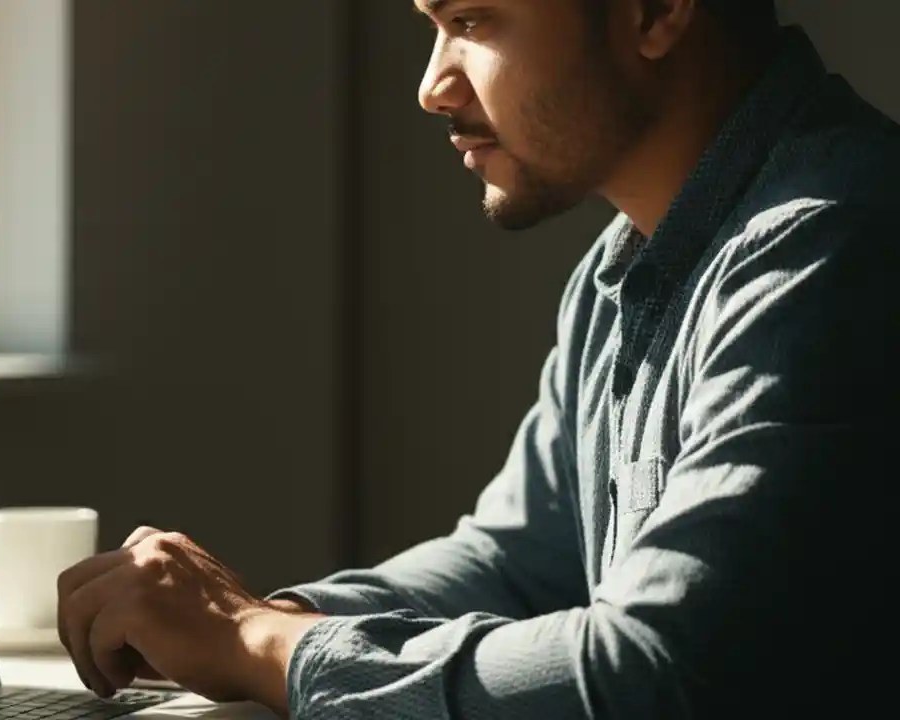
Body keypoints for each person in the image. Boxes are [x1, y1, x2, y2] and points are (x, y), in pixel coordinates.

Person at [57, 0, 900, 717]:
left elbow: (655, 669)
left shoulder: (835, 246)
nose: (433, 85)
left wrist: (261, 644)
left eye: (472, 21)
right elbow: (517, 562)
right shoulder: (626, 272)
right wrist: (250, 622)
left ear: (655, 9)